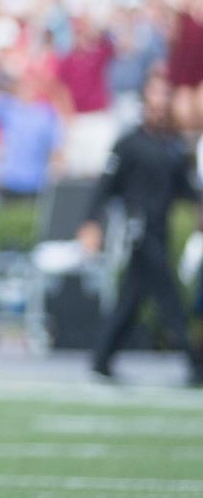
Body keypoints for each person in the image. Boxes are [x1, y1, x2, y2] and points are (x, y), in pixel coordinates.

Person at [78, 74, 203, 385]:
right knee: (169, 297)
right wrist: (92, 222)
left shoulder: (172, 146)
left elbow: (186, 190)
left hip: (160, 229)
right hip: (138, 229)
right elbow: (105, 187)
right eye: (155, 96)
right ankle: (195, 362)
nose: (160, 103)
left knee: (131, 298)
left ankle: (102, 359)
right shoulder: (129, 144)